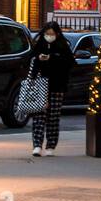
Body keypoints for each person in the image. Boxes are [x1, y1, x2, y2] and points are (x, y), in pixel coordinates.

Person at [29, 20, 74, 156]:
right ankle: (37, 145)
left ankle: (50, 146)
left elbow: (69, 62)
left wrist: (52, 58)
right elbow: (31, 60)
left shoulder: (62, 46)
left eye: (51, 34)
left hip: (57, 85)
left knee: (53, 117)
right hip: (40, 84)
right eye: (47, 34)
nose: (49, 36)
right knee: (38, 116)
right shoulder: (39, 45)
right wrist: (39, 58)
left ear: (57, 34)